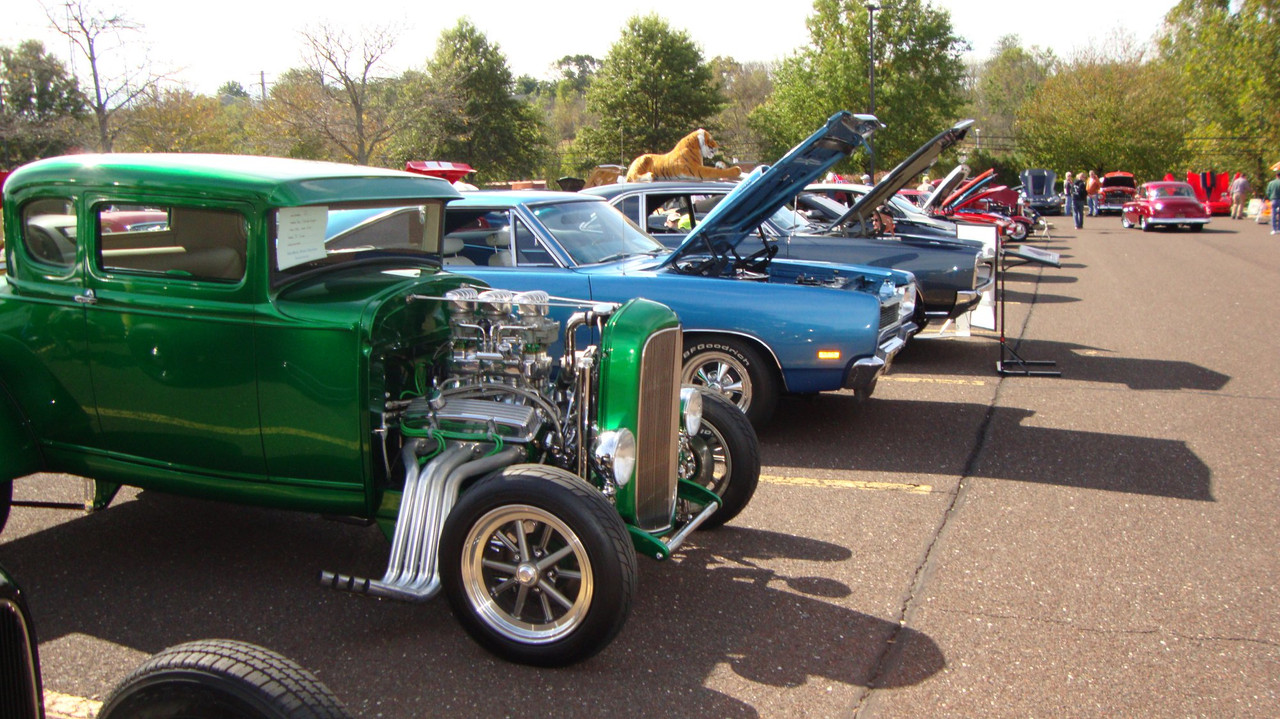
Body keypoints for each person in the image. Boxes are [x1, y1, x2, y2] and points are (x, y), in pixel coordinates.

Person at [1267, 170, 1280, 235]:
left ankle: (1274, 229)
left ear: (1276, 176)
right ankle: (1279, 228)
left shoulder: (1271, 183)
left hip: (1273, 200)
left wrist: (1270, 198)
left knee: (1273, 215)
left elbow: (1268, 192)